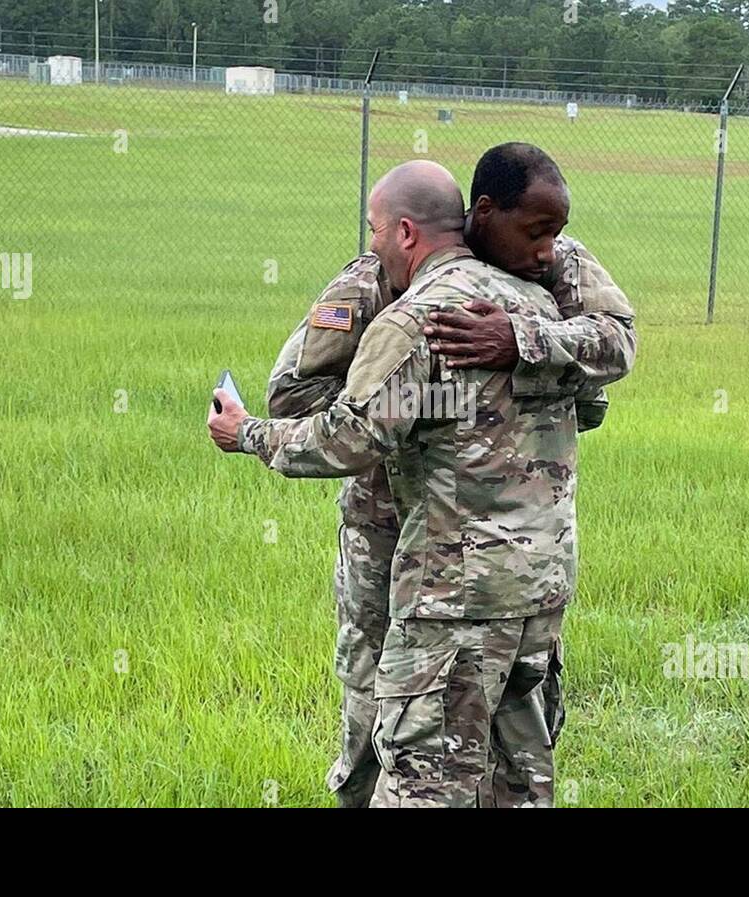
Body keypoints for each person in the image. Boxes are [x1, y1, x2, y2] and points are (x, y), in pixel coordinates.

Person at [265, 143, 634, 807]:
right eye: (534, 232)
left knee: (505, 743)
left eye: (552, 233)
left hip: (500, 557)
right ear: (481, 214)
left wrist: (521, 343)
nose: (548, 249)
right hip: (389, 535)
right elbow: (293, 395)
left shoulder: (550, 268)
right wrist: (415, 408)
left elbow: (612, 352)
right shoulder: (381, 279)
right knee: (387, 712)